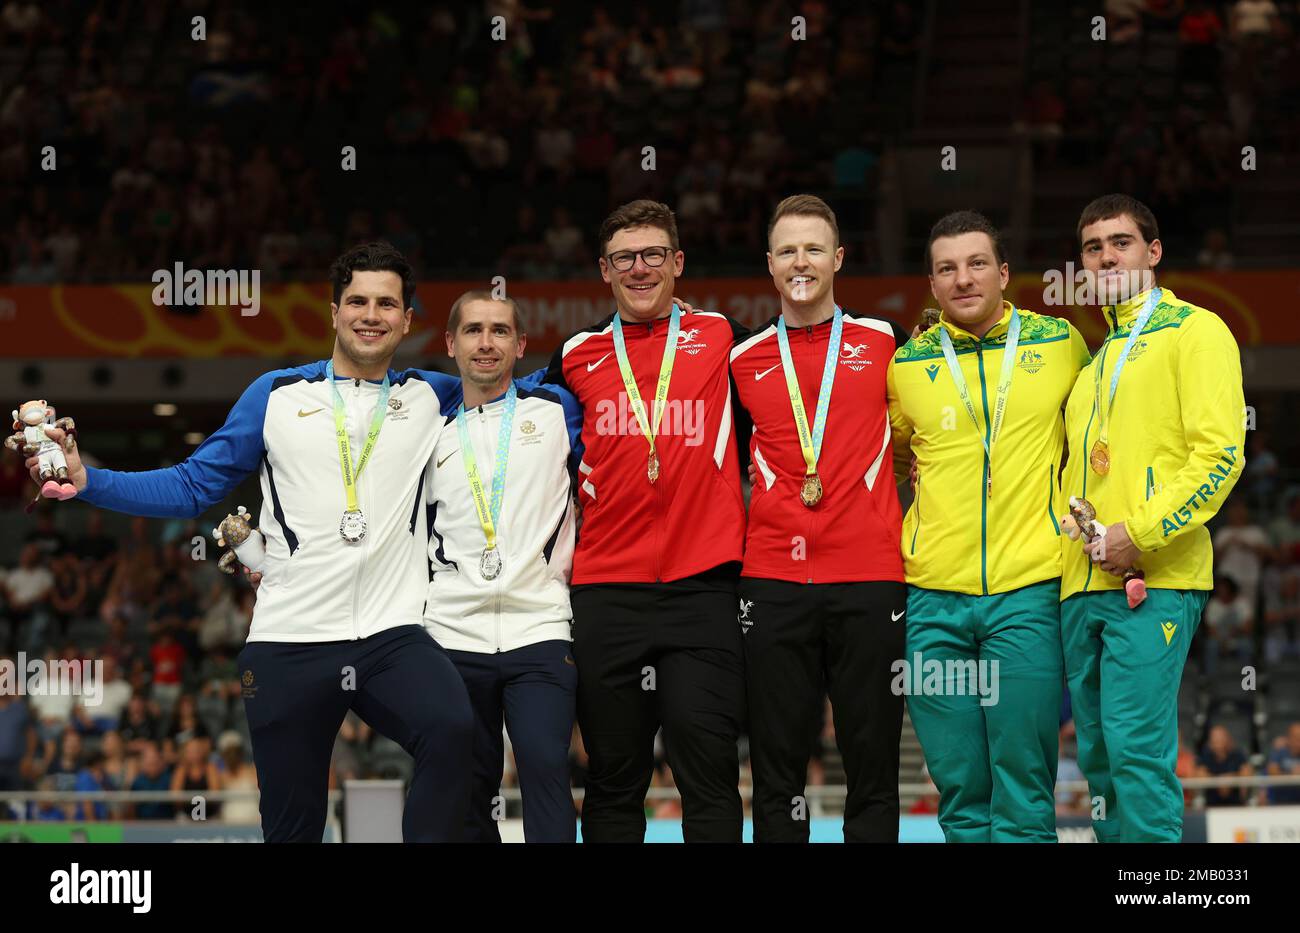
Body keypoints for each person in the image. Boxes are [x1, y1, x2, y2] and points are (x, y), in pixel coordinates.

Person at [28, 242, 476, 842]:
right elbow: (191, 486)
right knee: (292, 831)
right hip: (289, 641)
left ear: (407, 319)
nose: (372, 314)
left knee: (453, 731)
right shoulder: (276, 394)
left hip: (391, 637)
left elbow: (530, 401)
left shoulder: (434, 395)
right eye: (359, 301)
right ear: (334, 311)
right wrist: (88, 481)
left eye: (387, 304)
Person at [543, 200, 749, 842]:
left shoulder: (724, 337)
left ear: (678, 262)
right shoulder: (575, 356)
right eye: (625, 258)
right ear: (604, 270)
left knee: (709, 775)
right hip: (607, 594)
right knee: (612, 778)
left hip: (704, 589)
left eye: (654, 254)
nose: (640, 268)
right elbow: (504, 413)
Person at [887, 210, 1091, 842]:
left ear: (1004, 273)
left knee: (1024, 787)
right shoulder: (906, 364)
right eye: (947, 268)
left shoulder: (1060, 344)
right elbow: (894, 463)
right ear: (932, 282)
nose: (963, 278)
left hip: (1027, 596)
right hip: (931, 603)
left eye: (977, 263)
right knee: (959, 790)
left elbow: (1093, 439)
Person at [1060, 194, 1246, 842]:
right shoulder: (1093, 364)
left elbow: (1220, 456)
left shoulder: (1197, 330)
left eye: (1120, 242)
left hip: (1154, 578)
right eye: (1092, 247)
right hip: (1083, 586)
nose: (1106, 255)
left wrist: (1137, 534)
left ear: (1154, 251)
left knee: (1137, 754)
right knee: (1101, 763)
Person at [728, 195, 908, 842]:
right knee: (778, 771)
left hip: (870, 575)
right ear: (769, 265)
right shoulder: (740, 359)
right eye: (786, 250)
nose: (800, 261)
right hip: (774, 579)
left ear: (837, 257)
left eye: (812, 248)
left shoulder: (886, 340)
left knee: (872, 763)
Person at [425, 290, 583, 842]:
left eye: (498, 331)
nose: (485, 343)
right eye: (472, 330)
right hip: (451, 632)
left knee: (544, 767)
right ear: (451, 343)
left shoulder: (558, 412)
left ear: (520, 345)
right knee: (470, 785)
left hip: (539, 625)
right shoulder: (426, 433)